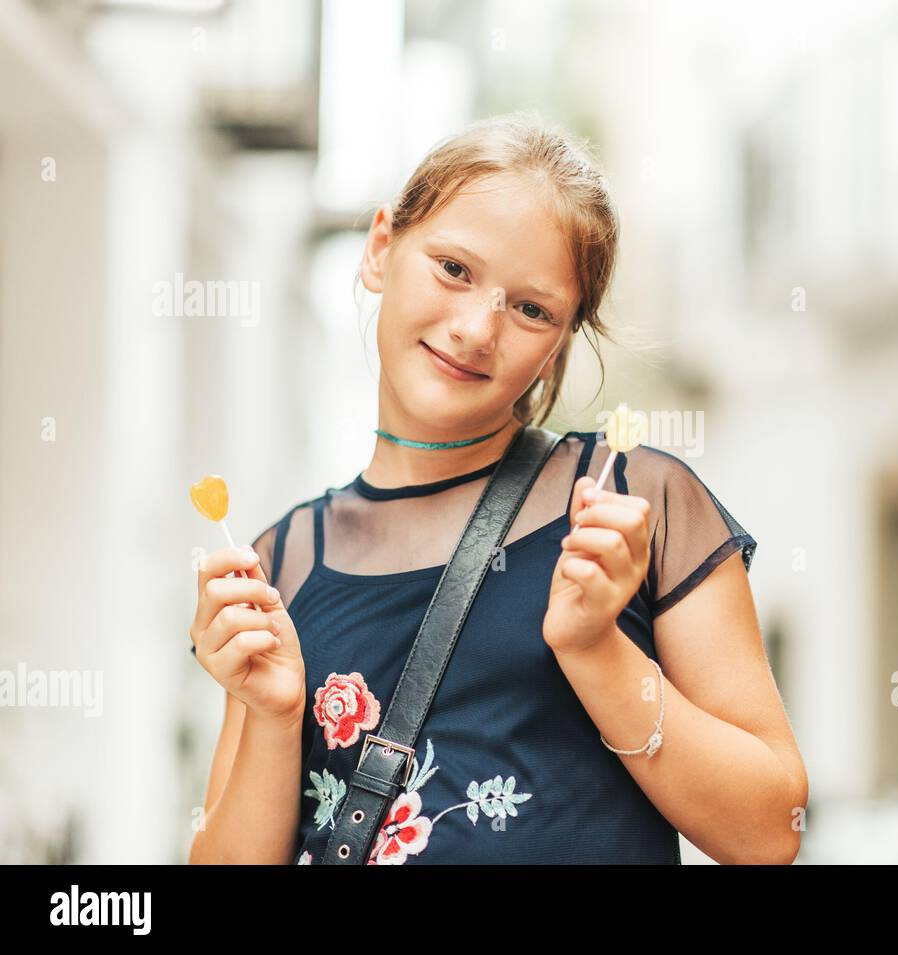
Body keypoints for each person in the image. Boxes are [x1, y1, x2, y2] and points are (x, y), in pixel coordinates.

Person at [186, 112, 808, 864]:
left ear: (560, 343)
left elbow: (772, 832)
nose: (478, 329)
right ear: (381, 247)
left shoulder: (635, 508)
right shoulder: (282, 560)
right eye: (453, 268)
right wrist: (276, 715)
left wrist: (596, 649)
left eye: (532, 309)